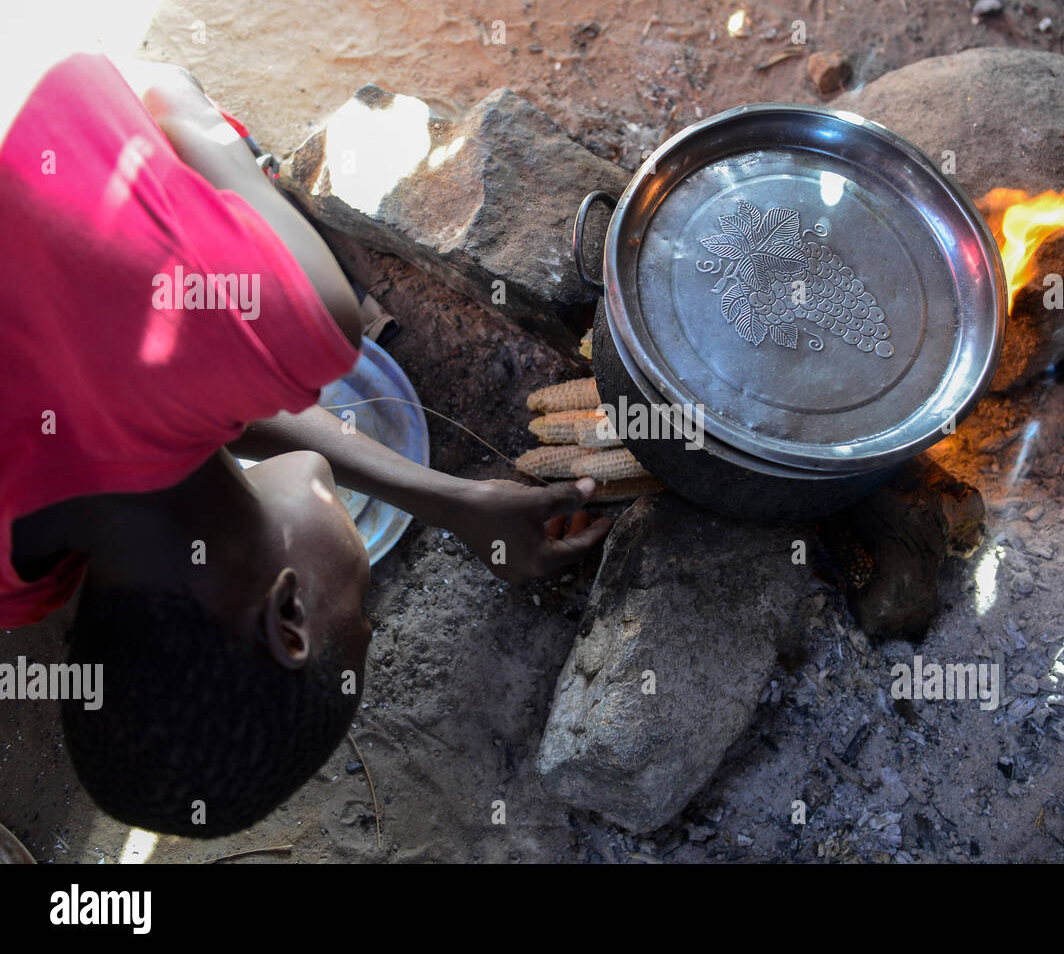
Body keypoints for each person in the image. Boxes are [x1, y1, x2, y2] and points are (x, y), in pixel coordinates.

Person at [0, 52, 611, 837]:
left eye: (360, 613)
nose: (362, 602)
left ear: (290, 612)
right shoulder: (19, 581)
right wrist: (451, 500)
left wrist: (224, 150)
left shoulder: (296, 318)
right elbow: (168, 415)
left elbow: (170, 91)